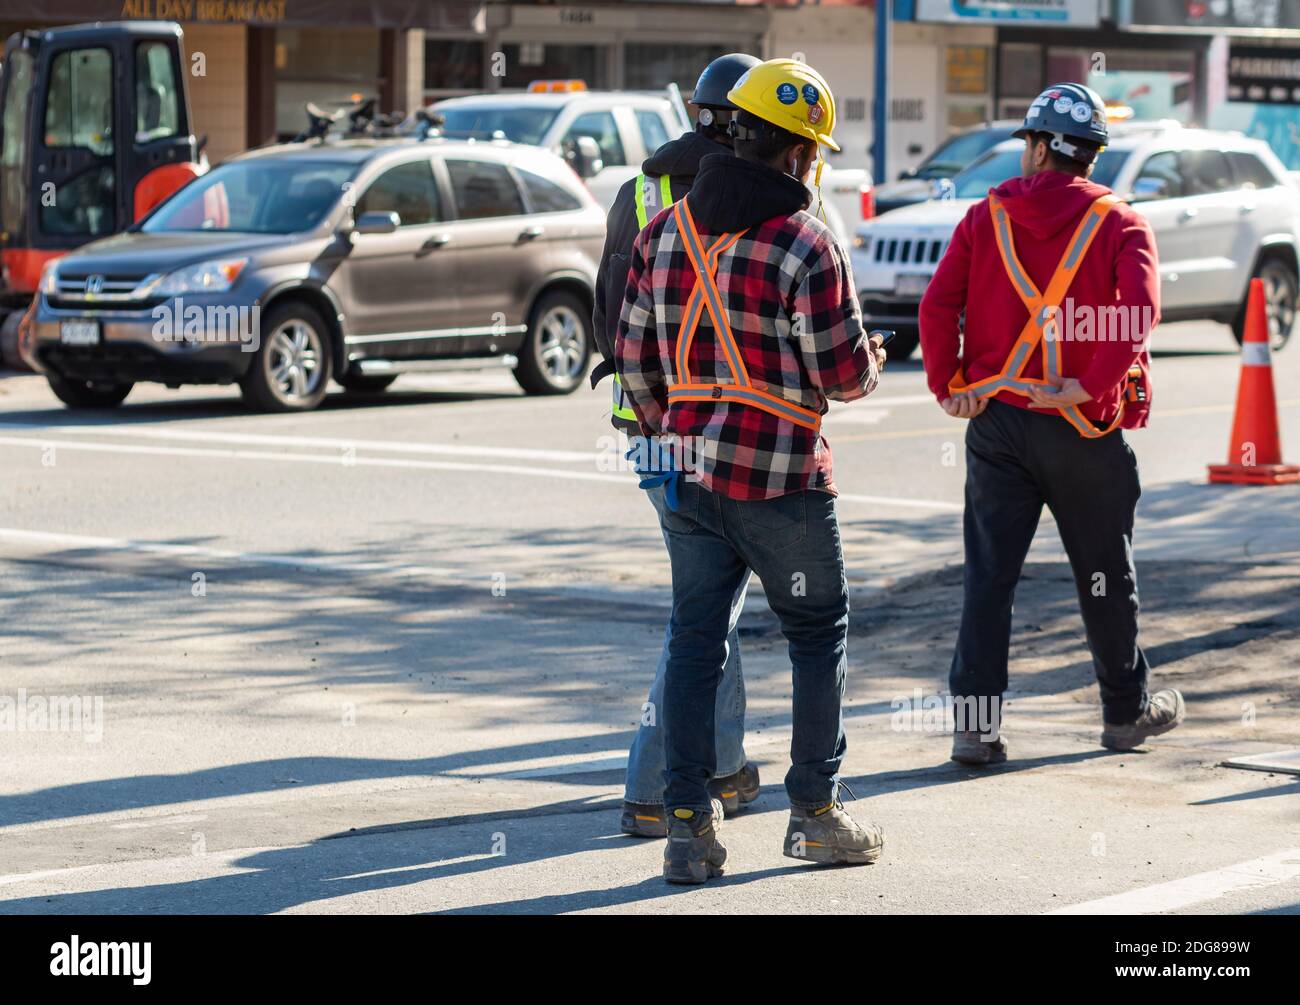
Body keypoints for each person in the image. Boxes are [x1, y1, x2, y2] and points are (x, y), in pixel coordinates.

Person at [615, 57, 887, 885]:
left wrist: (667, 418)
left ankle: (689, 828)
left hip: (688, 475)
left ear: (733, 135)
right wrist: (872, 359)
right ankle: (814, 814)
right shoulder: (805, 241)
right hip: (783, 483)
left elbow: (629, 353)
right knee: (815, 636)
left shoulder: (665, 231)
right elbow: (842, 376)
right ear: (802, 154)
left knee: (696, 641)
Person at [918, 82, 1185, 766]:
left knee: (990, 577)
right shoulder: (1122, 223)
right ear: (1089, 158)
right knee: (1103, 573)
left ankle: (975, 728)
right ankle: (1125, 713)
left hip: (1000, 422)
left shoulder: (986, 217)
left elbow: (936, 306)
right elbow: (1139, 314)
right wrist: (1089, 384)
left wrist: (950, 386)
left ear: (1038, 147)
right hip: (1083, 429)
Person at [591, 53, 763, 839]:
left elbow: (608, 309)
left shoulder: (642, 190)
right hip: (716, 430)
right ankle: (654, 784)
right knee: (700, 612)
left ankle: (723, 764)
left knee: (711, 601)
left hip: (646, 426)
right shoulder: (750, 191)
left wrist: (645, 407)